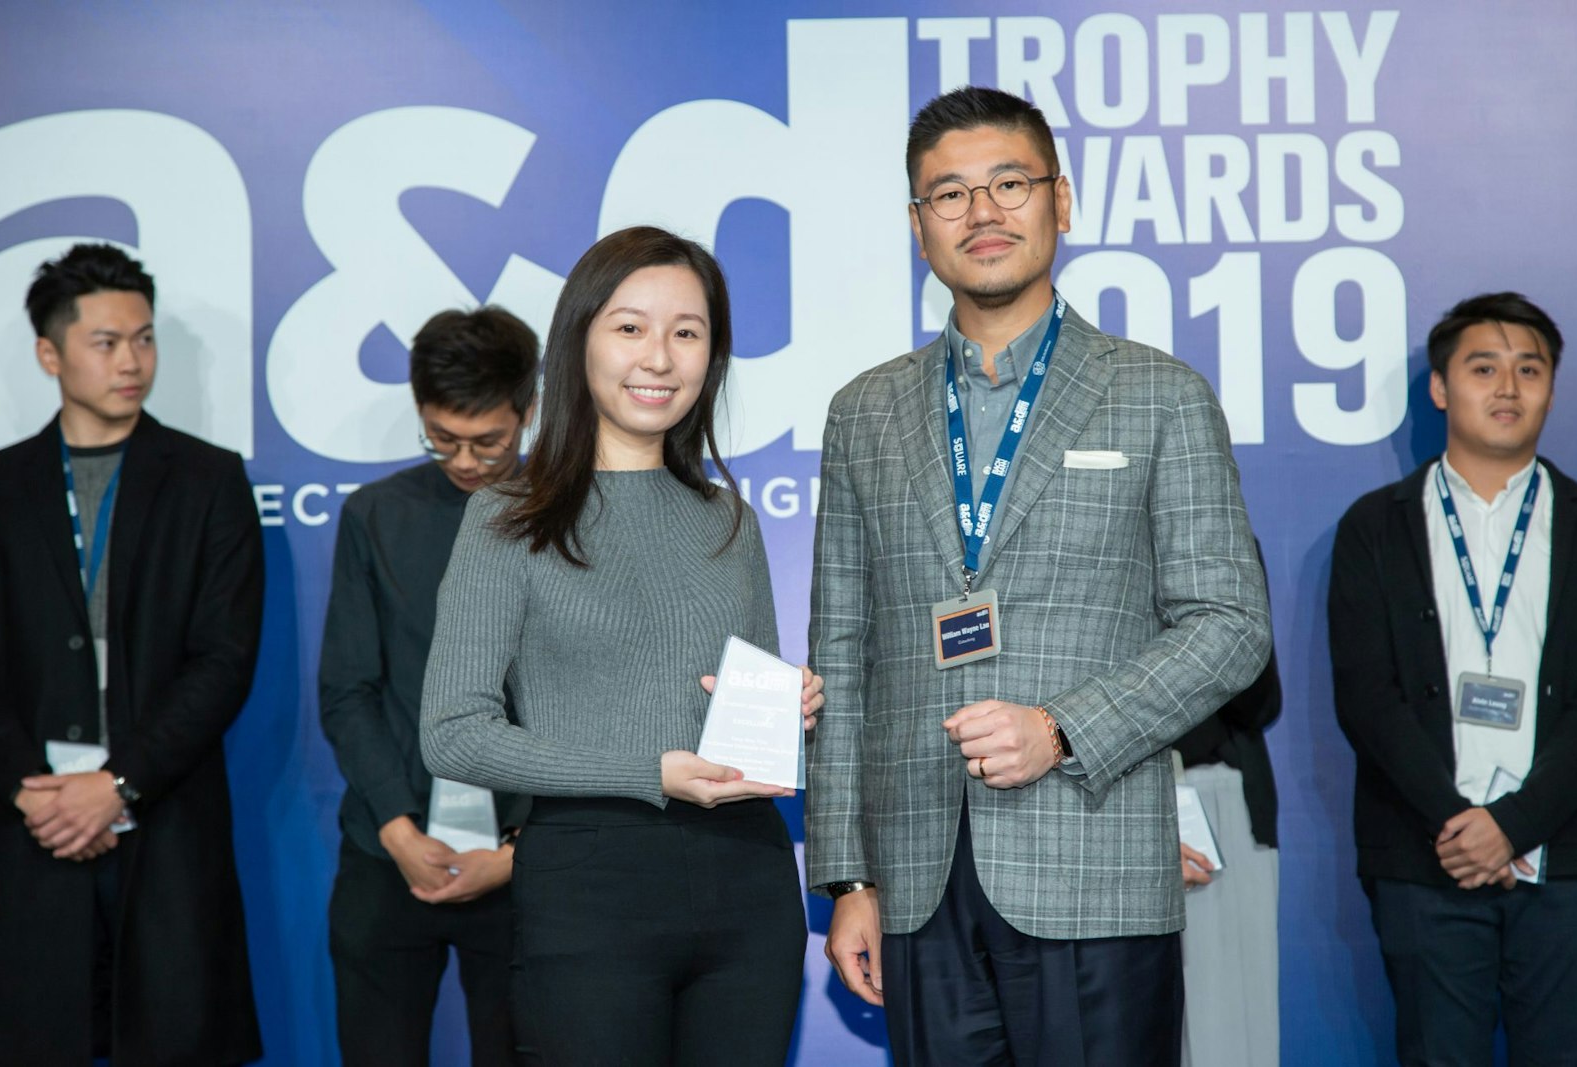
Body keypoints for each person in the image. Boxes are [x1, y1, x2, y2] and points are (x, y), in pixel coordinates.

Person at [806, 86, 1272, 1066]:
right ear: (916, 224)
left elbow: (1227, 620)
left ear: (1059, 199)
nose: (982, 213)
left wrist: (1063, 726)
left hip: (1093, 856)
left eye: (1007, 183)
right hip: (920, 876)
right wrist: (849, 876)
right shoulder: (864, 412)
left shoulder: (1158, 394)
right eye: (949, 194)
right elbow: (842, 648)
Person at [419, 225, 824, 1066]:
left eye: (688, 332)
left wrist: (790, 714)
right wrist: (650, 770)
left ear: (712, 358)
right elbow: (451, 729)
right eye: (631, 326)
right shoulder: (507, 514)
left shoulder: (727, 518)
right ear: (580, 341)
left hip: (748, 885)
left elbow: (749, 736)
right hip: (589, 886)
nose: (660, 357)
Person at [0, 243, 264, 1065]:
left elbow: (224, 659)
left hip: (166, 822)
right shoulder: (3, 486)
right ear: (50, 353)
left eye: (145, 339)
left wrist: (114, 784)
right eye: (107, 342)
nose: (133, 361)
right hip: (32, 832)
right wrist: (38, 793)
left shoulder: (210, 479)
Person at [1330, 292, 1577, 1066]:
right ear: (1442, 387)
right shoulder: (1373, 526)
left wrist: (1515, 823)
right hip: (1425, 855)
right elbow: (1366, 698)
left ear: (1552, 385)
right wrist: (1461, 823)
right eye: (1484, 368)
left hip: (1569, 857)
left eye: (1529, 369)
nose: (1508, 388)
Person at [320, 306, 540, 1066]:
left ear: (529, 409)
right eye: (442, 439)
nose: (468, 461)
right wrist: (398, 829)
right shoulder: (376, 516)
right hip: (390, 856)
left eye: (489, 440)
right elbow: (348, 688)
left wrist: (519, 849)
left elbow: (594, 700)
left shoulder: (571, 511)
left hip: (529, 864)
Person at [1173, 551, 1283, 1067]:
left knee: (1231, 1040)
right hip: (1083, 804)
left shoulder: (1219, 531)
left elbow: (1260, 701)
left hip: (1214, 794)